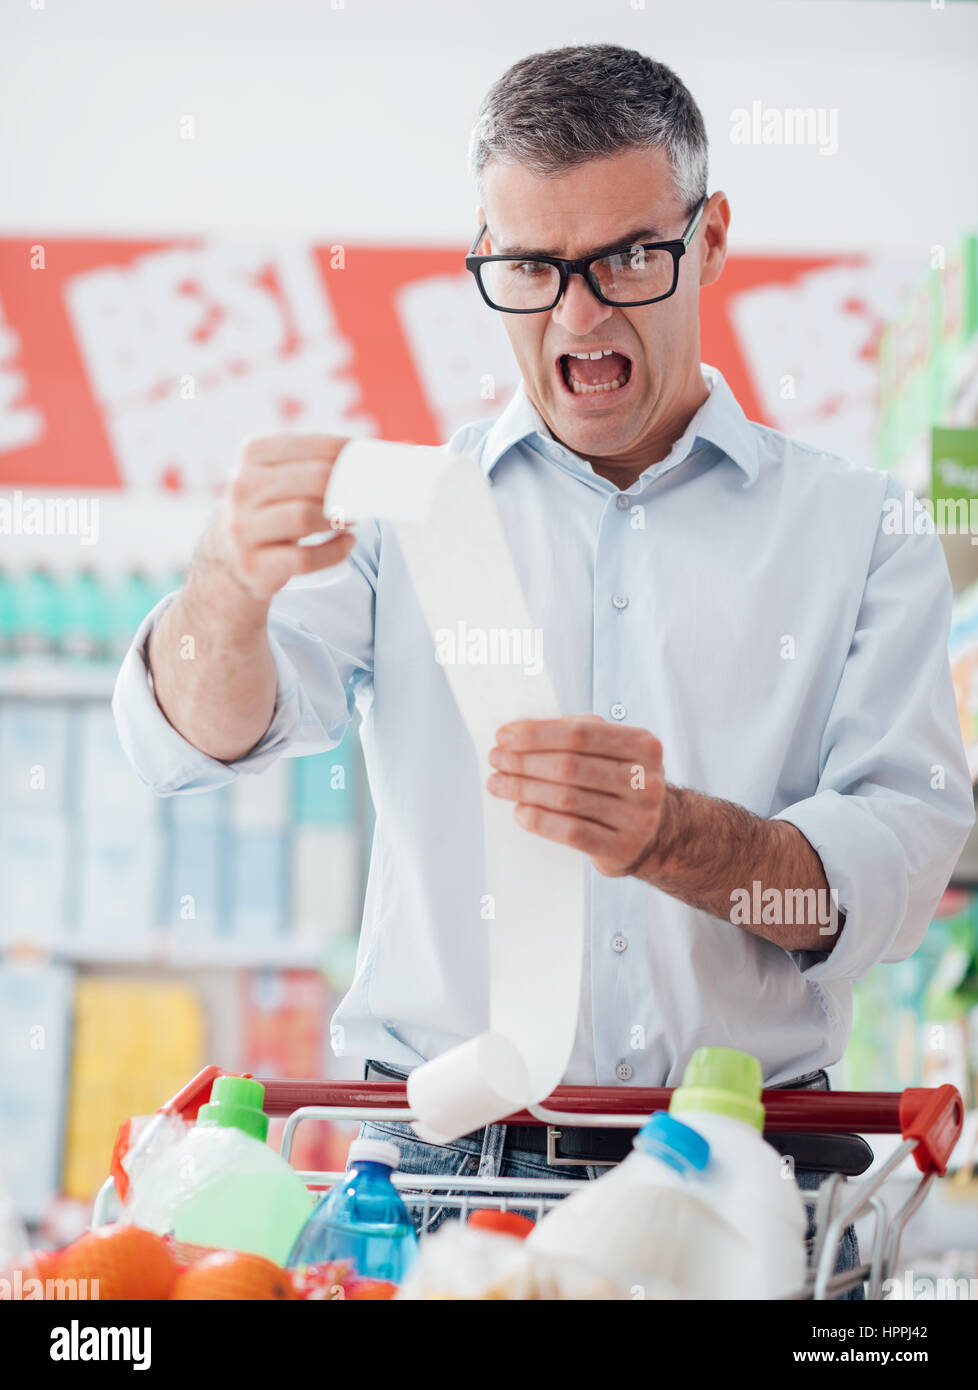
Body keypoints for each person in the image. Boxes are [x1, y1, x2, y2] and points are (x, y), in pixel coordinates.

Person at [113, 44, 974, 1296]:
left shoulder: (859, 532)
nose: (578, 315)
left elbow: (886, 885)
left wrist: (681, 838)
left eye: (629, 255)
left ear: (712, 237)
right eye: (530, 267)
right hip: (434, 1185)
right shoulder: (409, 514)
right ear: (488, 258)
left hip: (744, 1173)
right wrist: (224, 590)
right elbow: (188, 741)